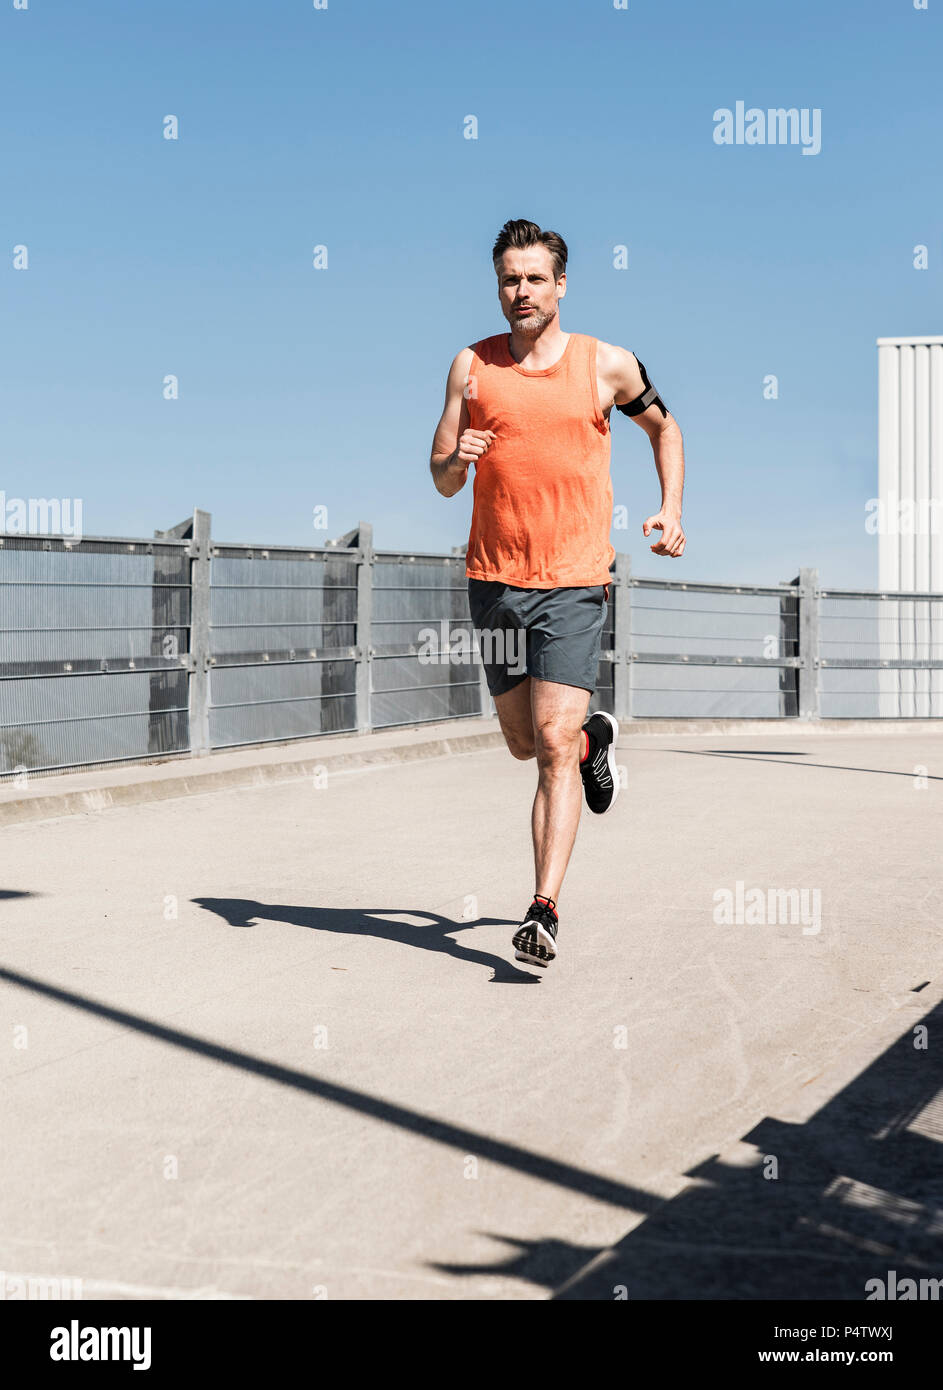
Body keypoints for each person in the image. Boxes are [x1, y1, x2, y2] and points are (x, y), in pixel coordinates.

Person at [429, 219, 685, 967]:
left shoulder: (606, 364)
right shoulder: (470, 368)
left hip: (574, 581)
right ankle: (591, 742)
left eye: (535, 278)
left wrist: (670, 508)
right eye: (510, 279)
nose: (521, 292)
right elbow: (442, 475)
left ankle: (542, 909)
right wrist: (457, 457)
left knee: (546, 747)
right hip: (494, 580)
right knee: (520, 743)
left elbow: (664, 431)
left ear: (560, 284)